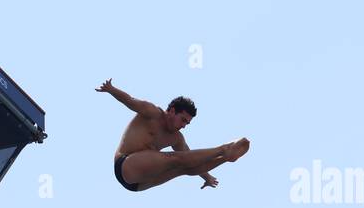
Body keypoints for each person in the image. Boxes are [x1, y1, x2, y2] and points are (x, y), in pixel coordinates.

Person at [96, 79, 249, 192]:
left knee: (183, 168)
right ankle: (224, 149)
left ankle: (225, 158)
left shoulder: (177, 138)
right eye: (183, 120)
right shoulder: (152, 113)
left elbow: (191, 160)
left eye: (187, 124)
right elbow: (129, 100)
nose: (183, 126)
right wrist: (111, 89)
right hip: (126, 165)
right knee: (174, 158)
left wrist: (207, 177)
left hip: (137, 185)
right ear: (172, 110)